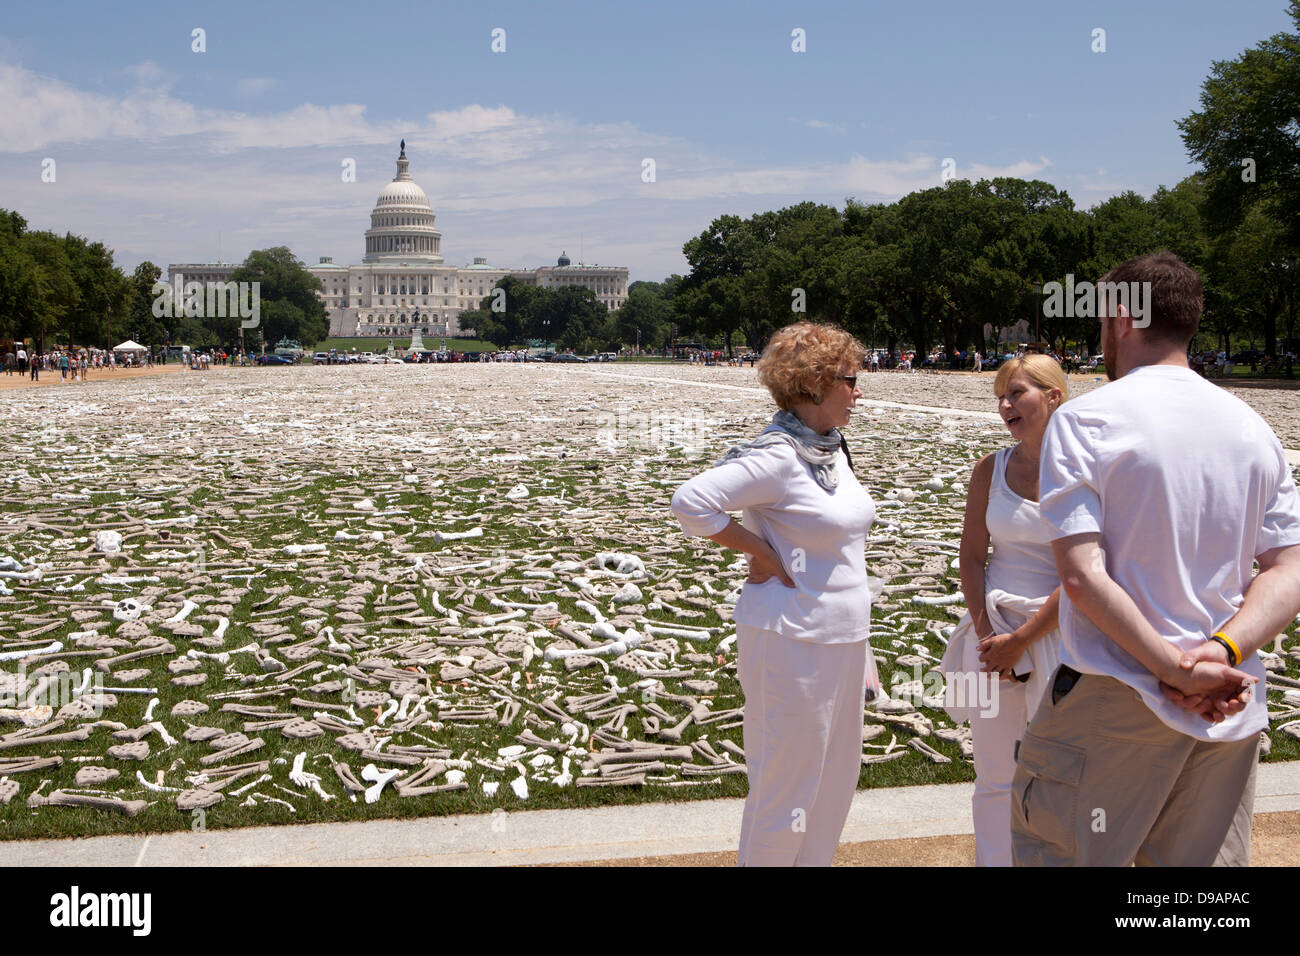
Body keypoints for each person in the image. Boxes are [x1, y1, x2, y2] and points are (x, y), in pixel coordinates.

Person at [1011, 251, 1300, 866]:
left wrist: (1172, 668)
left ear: (1121, 317)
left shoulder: (1086, 420)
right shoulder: (1253, 429)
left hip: (1117, 697)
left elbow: (1082, 575)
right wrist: (1219, 653)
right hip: (1228, 702)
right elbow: (1289, 569)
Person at [671, 322, 876, 866]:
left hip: (842, 637)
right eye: (851, 380)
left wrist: (866, 650)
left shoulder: (832, 450)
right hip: (790, 638)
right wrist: (759, 552)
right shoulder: (778, 456)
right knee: (786, 792)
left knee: (834, 785)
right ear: (814, 384)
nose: (860, 391)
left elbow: (846, 555)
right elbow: (692, 503)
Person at [941, 355, 1066, 866]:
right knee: (994, 772)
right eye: (1001, 396)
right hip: (991, 633)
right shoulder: (989, 468)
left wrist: (1026, 639)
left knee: (1059, 771)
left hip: (1062, 631)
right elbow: (972, 557)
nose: (1005, 405)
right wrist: (990, 635)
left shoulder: (1087, 469)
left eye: (1016, 393)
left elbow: (1088, 571)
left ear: (1053, 396)